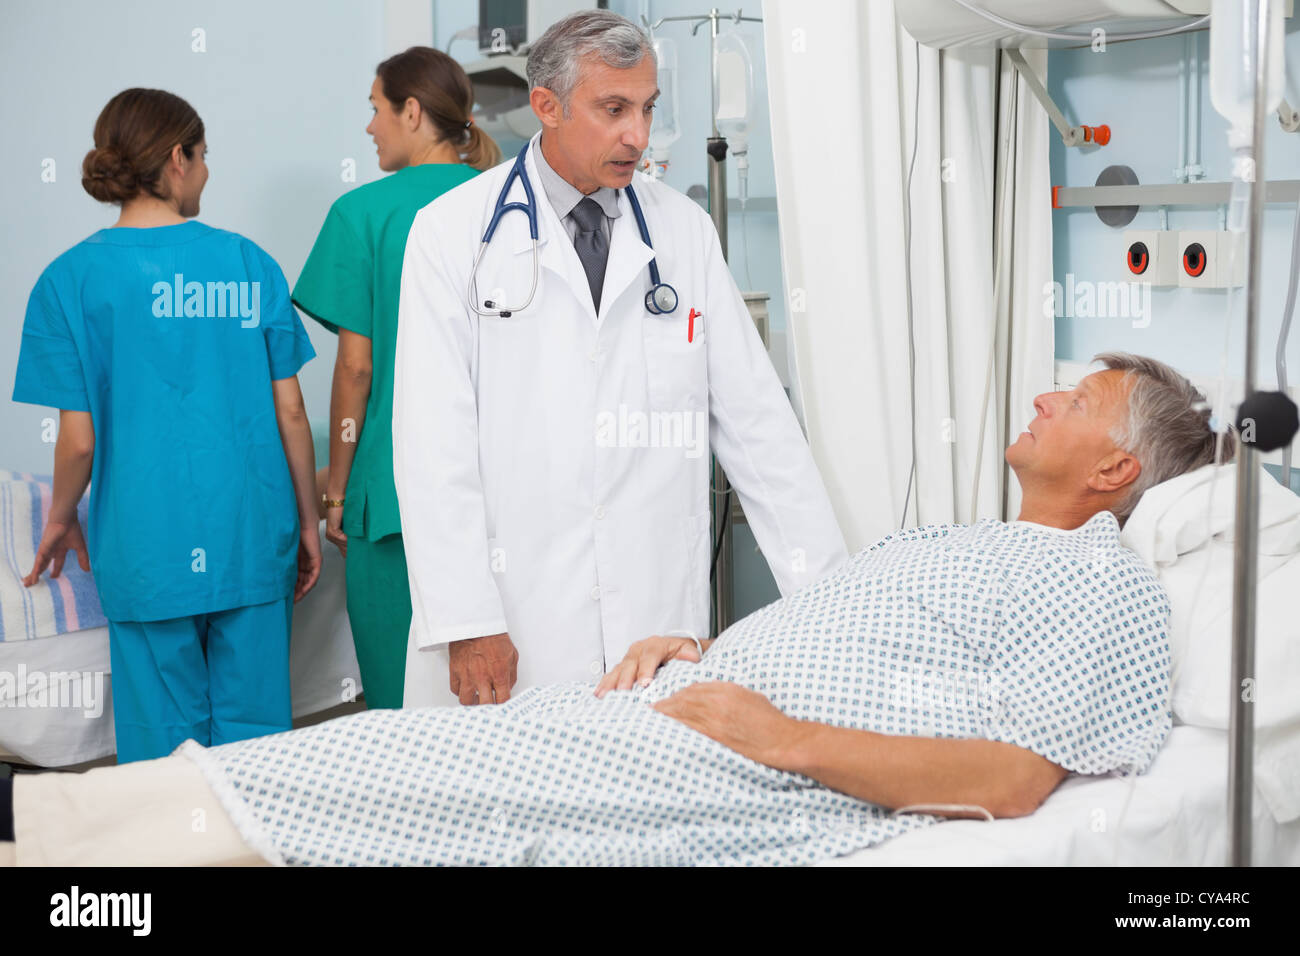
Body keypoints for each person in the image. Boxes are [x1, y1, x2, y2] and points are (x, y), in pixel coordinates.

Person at [0, 353, 1231, 865]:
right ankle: (45, 829)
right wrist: (704, 649)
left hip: (739, 768)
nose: (1041, 395)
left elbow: (1016, 778)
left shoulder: (1100, 578)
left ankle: (48, 831)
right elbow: (871, 644)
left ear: (1117, 471)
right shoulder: (969, 537)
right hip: (675, 705)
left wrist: (777, 734)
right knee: (400, 753)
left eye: (1074, 398)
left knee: (389, 770)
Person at [394, 10, 849, 709]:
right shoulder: (453, 234)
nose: (637, 135)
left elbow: (761, 429)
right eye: (613, 109)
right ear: (546, 105)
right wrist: (467, 620)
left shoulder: (682, 232)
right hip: (514, 617)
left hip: (653, 625)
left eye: (646, 108)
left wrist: (833, 611)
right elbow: (432, 445)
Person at [12, 88, 320, 764]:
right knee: (258, 746)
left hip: (146, 548)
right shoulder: (246, 263)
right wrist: (304, 522)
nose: (207, 172)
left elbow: (81, 440)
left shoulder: (68, 280)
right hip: (250, 537)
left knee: (161, 760)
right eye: (204, 156)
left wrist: (62, 516)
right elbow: (290, 411)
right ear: (177, 158)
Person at [291, 48, 500, 709]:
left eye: (376, 109)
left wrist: (337, 495)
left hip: (393, 495)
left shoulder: (365, 213)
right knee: (502, 698)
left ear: (412, 112)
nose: (369, 127)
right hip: (509, 486)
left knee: (401, 704)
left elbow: (357, 366)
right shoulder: (510, 201)